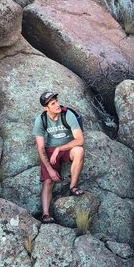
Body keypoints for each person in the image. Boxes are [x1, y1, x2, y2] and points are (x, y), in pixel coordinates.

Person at [33, 91, 85, 224]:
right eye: (52, 103)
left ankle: (73, 187)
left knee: (79, 151)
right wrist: (50, 169)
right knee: (48, 181)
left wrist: (60, 148)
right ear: (46, 108)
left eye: (56, 101)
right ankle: (45, 214)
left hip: (67, 147)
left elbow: (79, 140)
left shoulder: (68, 114)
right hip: (50, 151)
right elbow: (40, 147)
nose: (57, 105)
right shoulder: (41, 120)